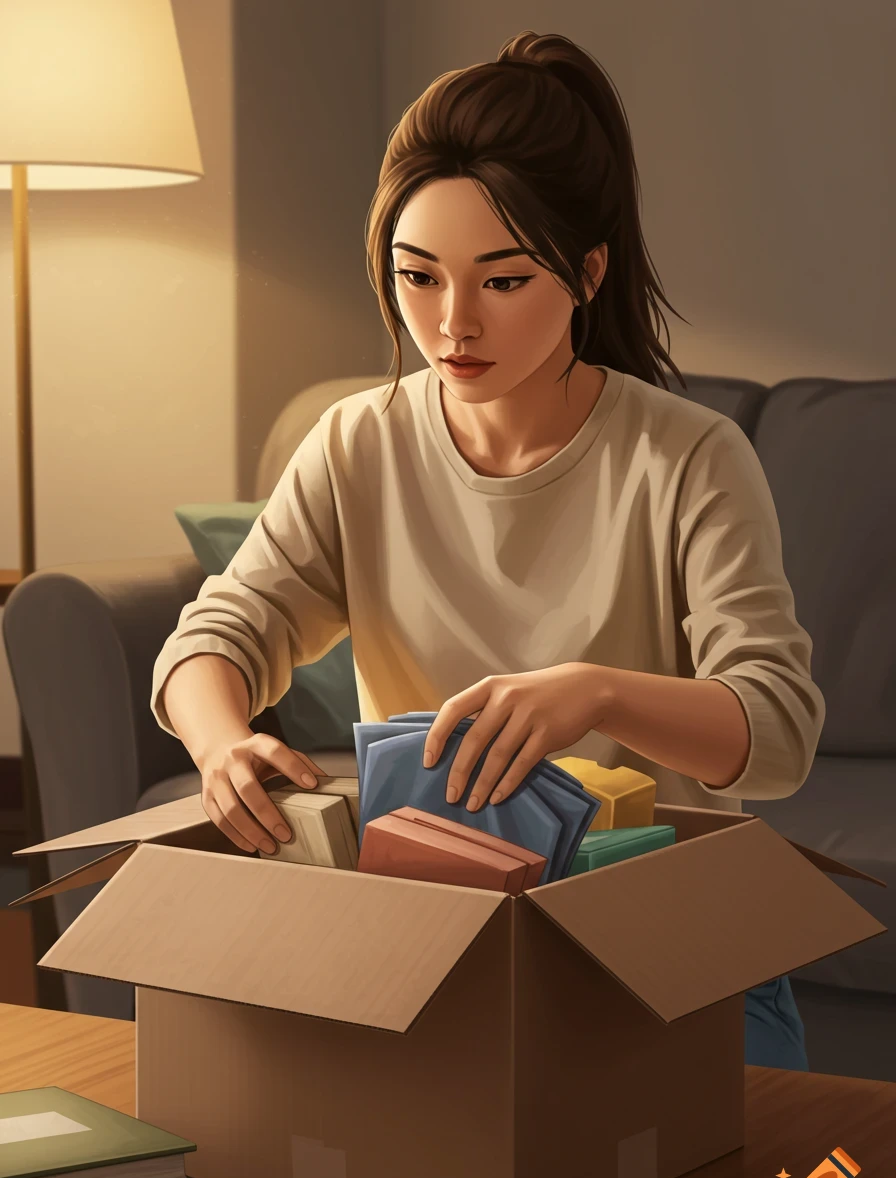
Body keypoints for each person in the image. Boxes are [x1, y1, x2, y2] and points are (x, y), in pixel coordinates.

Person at [151, 30, 823, 1071]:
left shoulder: (687, 457)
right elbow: (223, 631)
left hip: (661, 932)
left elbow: (775, 730)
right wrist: (219, 743)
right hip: (432, 928)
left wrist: (594, 695)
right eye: (416, 277)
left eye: (502, 282)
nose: (450, 324)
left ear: (586, 268)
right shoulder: (357, 442)